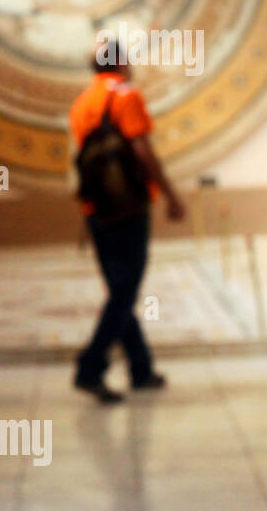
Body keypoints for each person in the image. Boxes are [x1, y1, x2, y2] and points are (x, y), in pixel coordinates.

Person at [69, 39, 186, 404]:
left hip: (96, 209)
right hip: (128, 208)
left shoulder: (83, 102)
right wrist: (170, 193)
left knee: (120, 290)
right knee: (125, 291)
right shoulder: (125, 95)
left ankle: (140, 368)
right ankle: (91, 367)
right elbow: (141, 149)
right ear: (119, 62)